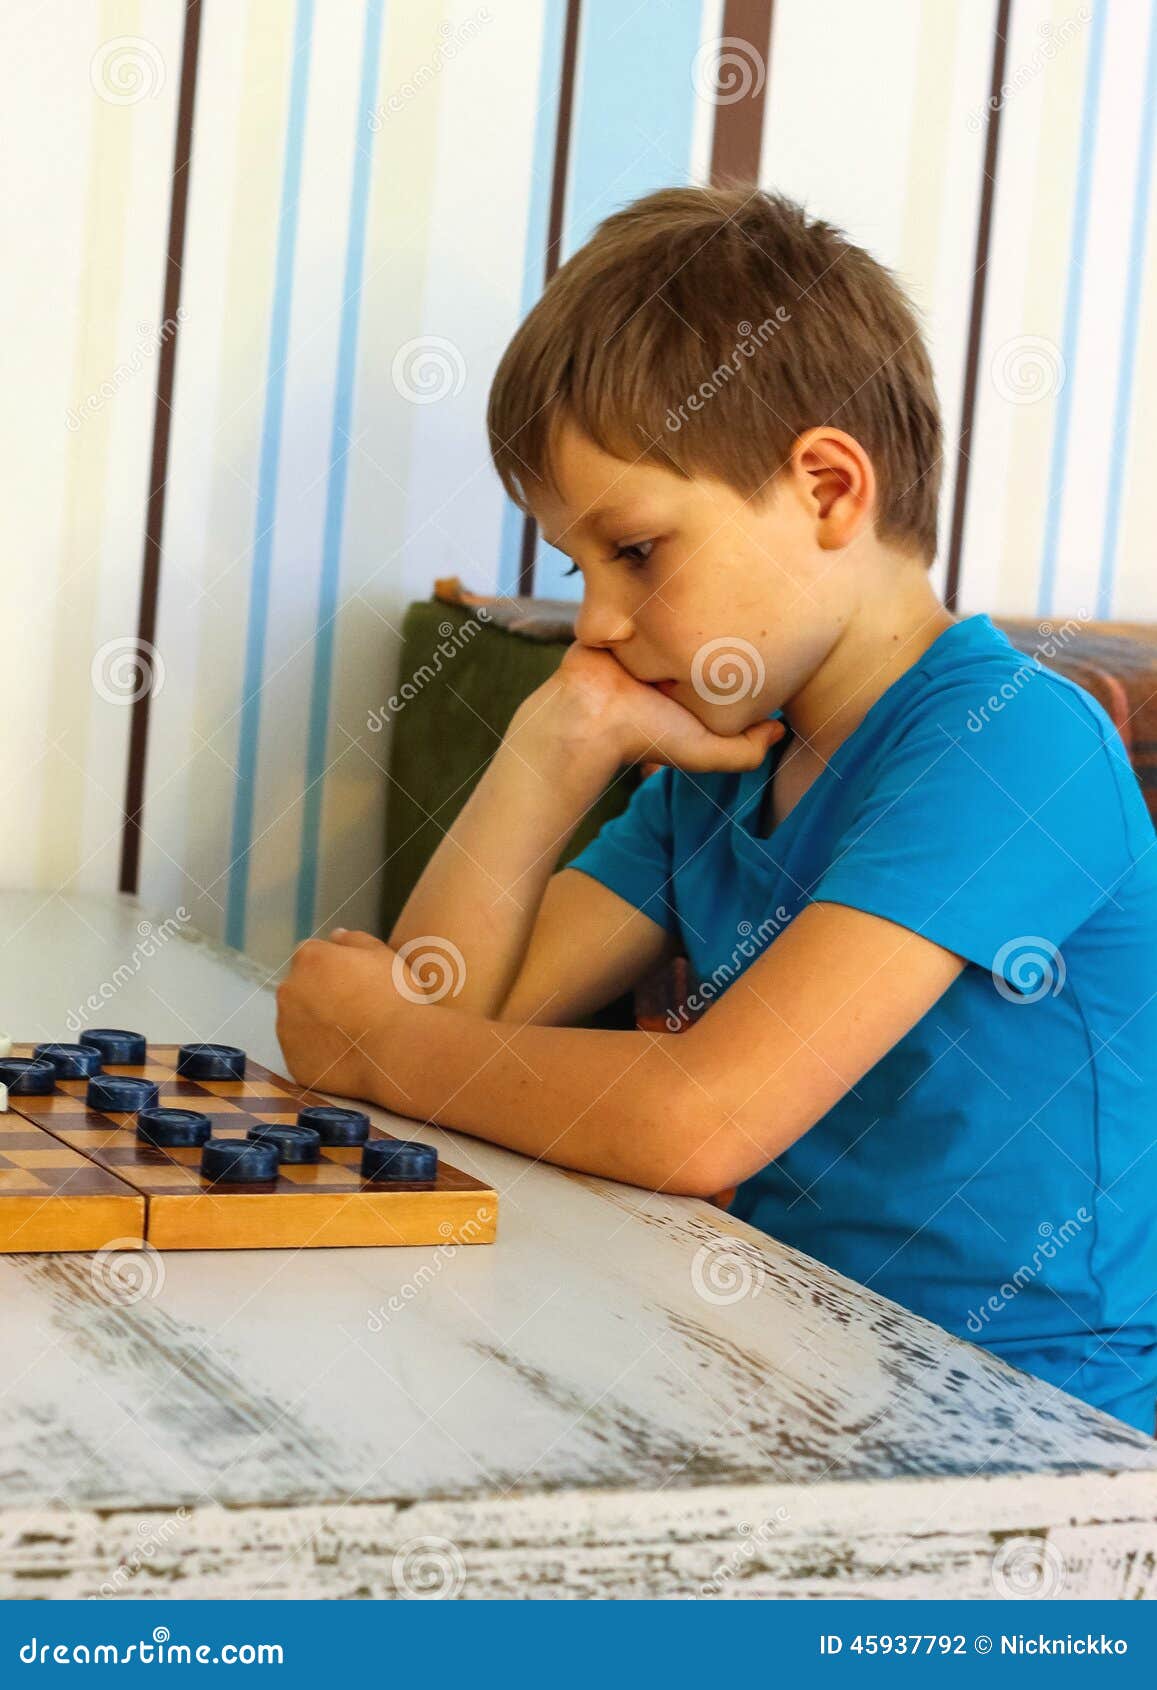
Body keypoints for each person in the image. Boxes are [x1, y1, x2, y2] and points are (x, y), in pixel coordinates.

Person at [278, 186, 1157, 1435]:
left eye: (633, 552)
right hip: (789, 1376)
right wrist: (558, 735)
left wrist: (370, 1042)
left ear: (826, 490)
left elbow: (701, 1119)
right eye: (577, 571)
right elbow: (457, 1009)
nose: (596, 624)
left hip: (1039, 1437)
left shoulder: (1010, 743)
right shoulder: (725, 761)